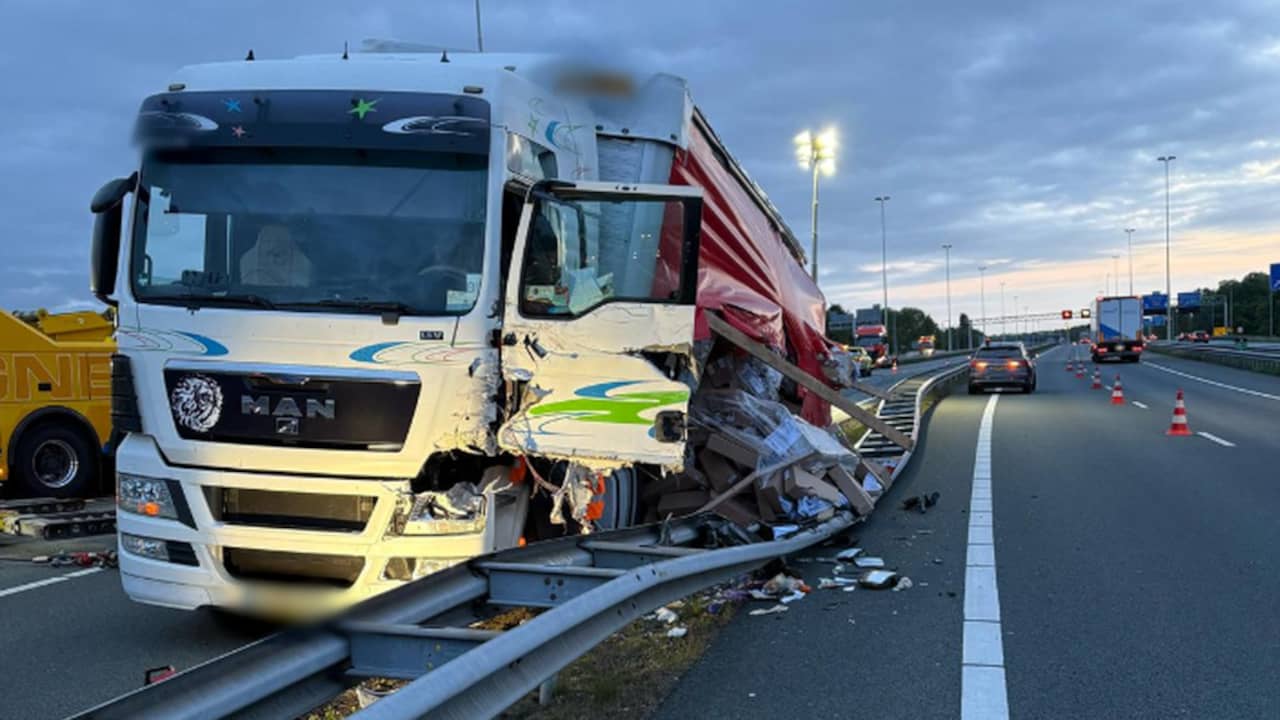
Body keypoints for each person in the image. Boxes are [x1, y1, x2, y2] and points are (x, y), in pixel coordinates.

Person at [240, 223, 312, 287]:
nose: (273, 244)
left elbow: (302, 290)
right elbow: (250, 288)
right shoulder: (249, 260)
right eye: (268, 240)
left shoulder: (303, 262)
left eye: (279, 238)